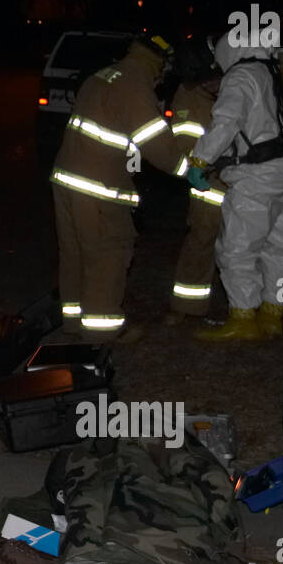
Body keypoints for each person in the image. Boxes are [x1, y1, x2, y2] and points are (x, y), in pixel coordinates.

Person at [50, 34, 189, 343]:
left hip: (67, 180)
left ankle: (74, 322)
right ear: (158, 62)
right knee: (108, 253)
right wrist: (188, 169)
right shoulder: (134, 86)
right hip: (98, 189)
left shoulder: (102, 75)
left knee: (75, 253)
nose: (165, 75)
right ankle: (102, 333)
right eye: (165, 67)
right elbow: (157, 146)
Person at [186, 27, 283, 341]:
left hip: (260, 176)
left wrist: (200, 161)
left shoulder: (242, 76)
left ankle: (243, 319)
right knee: (282, 246)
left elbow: (226, 122)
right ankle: (273, 313)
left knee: (237, 248)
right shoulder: (278, 73)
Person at [164, 41, 227, 323]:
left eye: (216, 77)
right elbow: (183, 138)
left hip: (246, 182)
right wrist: (201, 163)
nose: (213, 84)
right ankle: (186, 306)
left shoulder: (237, 84)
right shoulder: (187, 95)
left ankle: (247, 307)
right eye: (207, 80)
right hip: (209, 184)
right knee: (201, 239)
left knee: (246, 244)